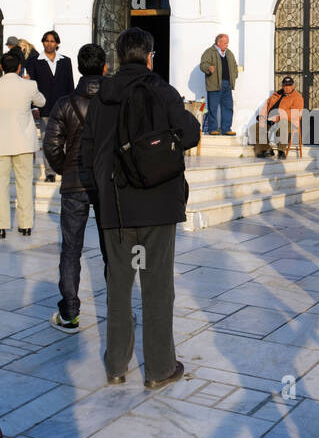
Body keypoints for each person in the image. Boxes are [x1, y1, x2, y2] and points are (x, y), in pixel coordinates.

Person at [85, 27, 201, 388]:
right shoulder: (162, 91)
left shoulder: (102, 95)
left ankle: (116, 365)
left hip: (116, 208)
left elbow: (89, 151)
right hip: (158, 203)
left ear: (118, 57)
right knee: (157, 287)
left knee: (118, 287)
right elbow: (192, 134)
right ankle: (159, 369)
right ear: (150, 56)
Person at [43, 43, 106, 332]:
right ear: (104, 67)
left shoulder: (65, 102)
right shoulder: (114, 101)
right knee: (114, 250)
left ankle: (70, 313)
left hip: (75, 182)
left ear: (80, 69)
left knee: (71, 249)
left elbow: (51, 144)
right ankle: (119, 311)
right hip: (108, 181)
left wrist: (63, 169)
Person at [0, 52, 45, 239]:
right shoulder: (29, 85)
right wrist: (29, 83)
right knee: (25, 183)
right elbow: (42, 101)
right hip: (23, 142)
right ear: (19, 68)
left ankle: (0, 227)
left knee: (0, 184)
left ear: (1, 67)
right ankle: (25, 226)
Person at [26, 30, 74, 181]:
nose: (49, 43)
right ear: (43, 42)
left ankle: (65, 169)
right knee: (47, 141)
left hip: (63, 107)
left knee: (64, 140)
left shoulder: (65, 61)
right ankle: (50, 172)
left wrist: (71, 105)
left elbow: (70, 84)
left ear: (57, 43)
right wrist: (34, 107)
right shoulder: (34, 61)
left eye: (52, 41)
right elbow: (31, 86)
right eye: (46, 40)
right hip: (44, 108)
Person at [252, 77, 304, 158]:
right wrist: (261, 116)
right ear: (282, 86)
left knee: (283, 124)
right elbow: (266, 106)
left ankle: (281, 151)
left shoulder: (297, 97)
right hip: (271, 119)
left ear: (293, 86)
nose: (287, 88)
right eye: (285, 85)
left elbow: (296, 113)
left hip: (288, 121)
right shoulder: (276, 94)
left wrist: (280, 117)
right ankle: (266, 149)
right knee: (256, 127)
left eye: (289, 85)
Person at [199, 33, 238, 135]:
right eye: (225, 43)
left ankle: (226, 129)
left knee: (228, 107)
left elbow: (234, 65)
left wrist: (234, 75)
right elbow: (203, 64)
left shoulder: (229, 53)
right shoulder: (209, 52)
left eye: (227, 43)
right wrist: (209, 68)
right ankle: (213, 129)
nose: (227, 45)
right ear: (218, 42)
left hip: (227, 84)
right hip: (214, 84)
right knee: (213, 107)